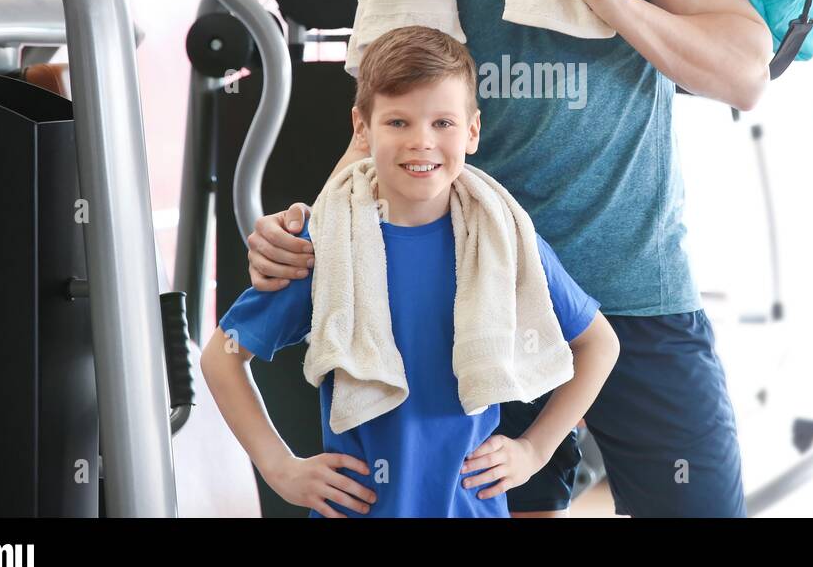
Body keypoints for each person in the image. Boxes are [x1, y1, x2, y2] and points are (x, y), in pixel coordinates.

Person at [245, 0, 772, 517]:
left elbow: (745, 71)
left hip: (633, 300)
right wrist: (309, 227)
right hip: (480, 310)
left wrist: (612, 1)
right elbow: (383, 127)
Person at [201, 26, 619, 517]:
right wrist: (280, 469)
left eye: (442, 122)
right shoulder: (329, 246)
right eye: (398, 122)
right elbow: (222, 358)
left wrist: (533, 450)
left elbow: (599, 344)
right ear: (362, 128)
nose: (422, 142)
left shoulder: (503, 241)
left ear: (472, 131)